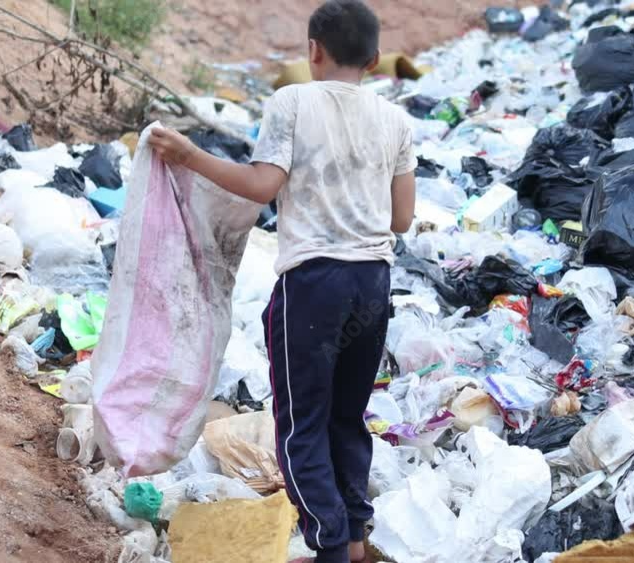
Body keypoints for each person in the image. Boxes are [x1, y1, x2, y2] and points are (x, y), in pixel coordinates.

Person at [149, 0, 416, 560]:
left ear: (313, 51)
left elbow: (262, 186)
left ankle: (331, 548)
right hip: (373, 284)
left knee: (300, 425)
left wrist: (191, 155)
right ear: (373, 58)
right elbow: (401, 220)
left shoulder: (292, 101)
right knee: (348, 416)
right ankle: (355, 537)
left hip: (314, 284)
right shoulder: (396, 121)